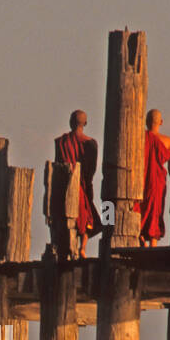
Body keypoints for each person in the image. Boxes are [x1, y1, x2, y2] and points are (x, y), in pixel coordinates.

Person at [54, 109, 103, 257]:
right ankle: (83, 247)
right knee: (87, 216)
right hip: (82, 183)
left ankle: (69, 249)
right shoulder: (91, 143)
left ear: (70, 122)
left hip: (64, 185)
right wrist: (86, 180)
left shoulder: (61, 142)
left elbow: (58, 164)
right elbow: (92, 168)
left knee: (73, 216)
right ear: (85, 123)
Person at [137, 109, 170, 246]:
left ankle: (140, 236)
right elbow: (167, 161)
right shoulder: (167, 141)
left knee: (139, 207)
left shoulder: (139, 137)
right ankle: (153, 243)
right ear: (161, 122)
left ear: (146, 122)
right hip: (157, 181)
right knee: (155, 209)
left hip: (141, 178)